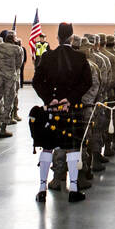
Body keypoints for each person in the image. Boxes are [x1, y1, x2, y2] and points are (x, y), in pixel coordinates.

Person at [32, 23, 93, 203]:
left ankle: (42, 189)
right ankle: (73, 189)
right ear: (72, 38)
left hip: (52, 109)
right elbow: (87, 83)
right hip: (71, 108)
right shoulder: (80, 57)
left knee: (48, 147)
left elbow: (36, 81)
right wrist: (71, 99)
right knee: (73, 147)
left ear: (57, 38)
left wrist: (49, 99)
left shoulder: (47, 56)